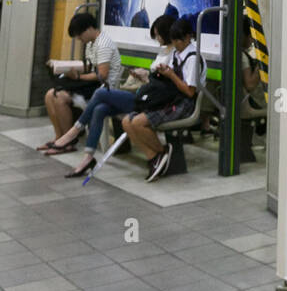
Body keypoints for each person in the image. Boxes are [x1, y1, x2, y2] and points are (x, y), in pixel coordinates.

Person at [42, 15, 175, 177]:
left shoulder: (174, 55)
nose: (157, 38)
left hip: (148, 98)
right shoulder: (163, 52)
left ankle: (73, 133)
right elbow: (156, 80)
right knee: (99, 109)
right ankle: (87, 158)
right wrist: (145, 75)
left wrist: (150, 78)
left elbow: (168, 84)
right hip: (145, 95)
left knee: (100, 92)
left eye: (158, 35)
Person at [122, 17, 204, 182]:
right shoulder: (176, 53)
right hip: (169, 98)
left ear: (188, 37)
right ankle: (154, 157)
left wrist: (171, 75)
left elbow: (189, 91)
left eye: (179, 41)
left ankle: (163, 153)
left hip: (183, 104)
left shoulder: (193, 58)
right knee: (126, 121)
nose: (177, 45)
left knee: (138, 122)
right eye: (174, 41)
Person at [39, 12, 123, 154]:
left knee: (59, 97)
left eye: (79, 35)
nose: (79, 38)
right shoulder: (91, 44)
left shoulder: (103, 44)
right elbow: (89, 68)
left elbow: (102, 75)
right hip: (92, 85)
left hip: (104, 89)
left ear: (89, 28)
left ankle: (69, 141)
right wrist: (63, 67)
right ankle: (59, 137)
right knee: (49, 95)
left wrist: (78, 77)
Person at [241, 18, 266, 131]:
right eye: (250, 37)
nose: (251, 41)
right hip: (249, 103)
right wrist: (260, 64)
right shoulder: (242, 57)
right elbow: (250, 84)